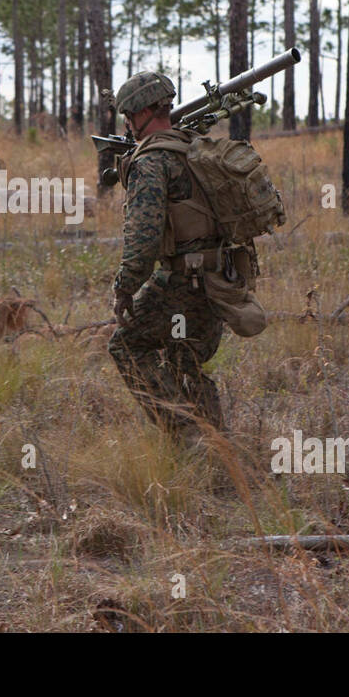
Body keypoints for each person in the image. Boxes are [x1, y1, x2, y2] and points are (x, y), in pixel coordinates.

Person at [107, 71, 230, 442]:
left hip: (182, 286)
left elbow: (143, 242)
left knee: (126, 345)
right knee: (183, 361)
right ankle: (217, 447)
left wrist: (124, 288)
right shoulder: (194, 147)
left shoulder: (151, 163)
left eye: (129, 115)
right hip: (221, 279)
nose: (127, 124)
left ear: (145, 111)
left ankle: (188, 439)